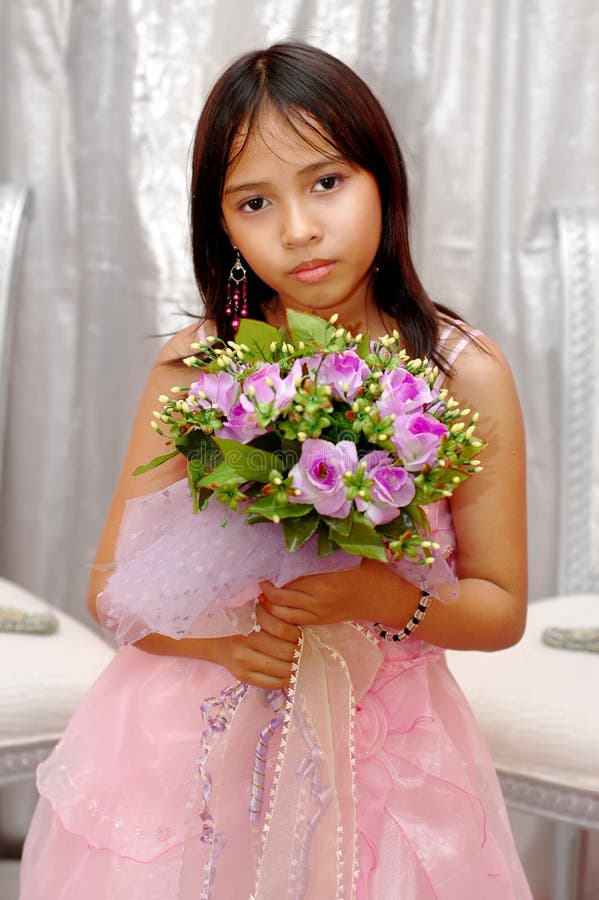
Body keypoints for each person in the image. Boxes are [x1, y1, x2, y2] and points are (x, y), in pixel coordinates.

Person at [20, 42, 532, 899]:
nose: (297, 229)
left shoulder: (460, 372)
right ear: (221, 225)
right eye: (255, 202)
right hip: (186, 739)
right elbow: (109, 586)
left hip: (385, 750)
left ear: (383, 181)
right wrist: (221, 645)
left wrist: (385, 598)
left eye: (326, 182)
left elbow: (499, 607)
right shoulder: (196, 368)